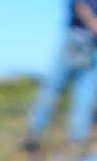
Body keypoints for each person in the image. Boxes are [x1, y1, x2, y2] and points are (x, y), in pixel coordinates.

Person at [25, 2, 97, 151]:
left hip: (89, 42)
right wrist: (92, 23)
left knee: (83, 94)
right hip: (79, 37)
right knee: (55, 88)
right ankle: (35, 135)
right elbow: (80, 6)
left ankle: (75, 142)